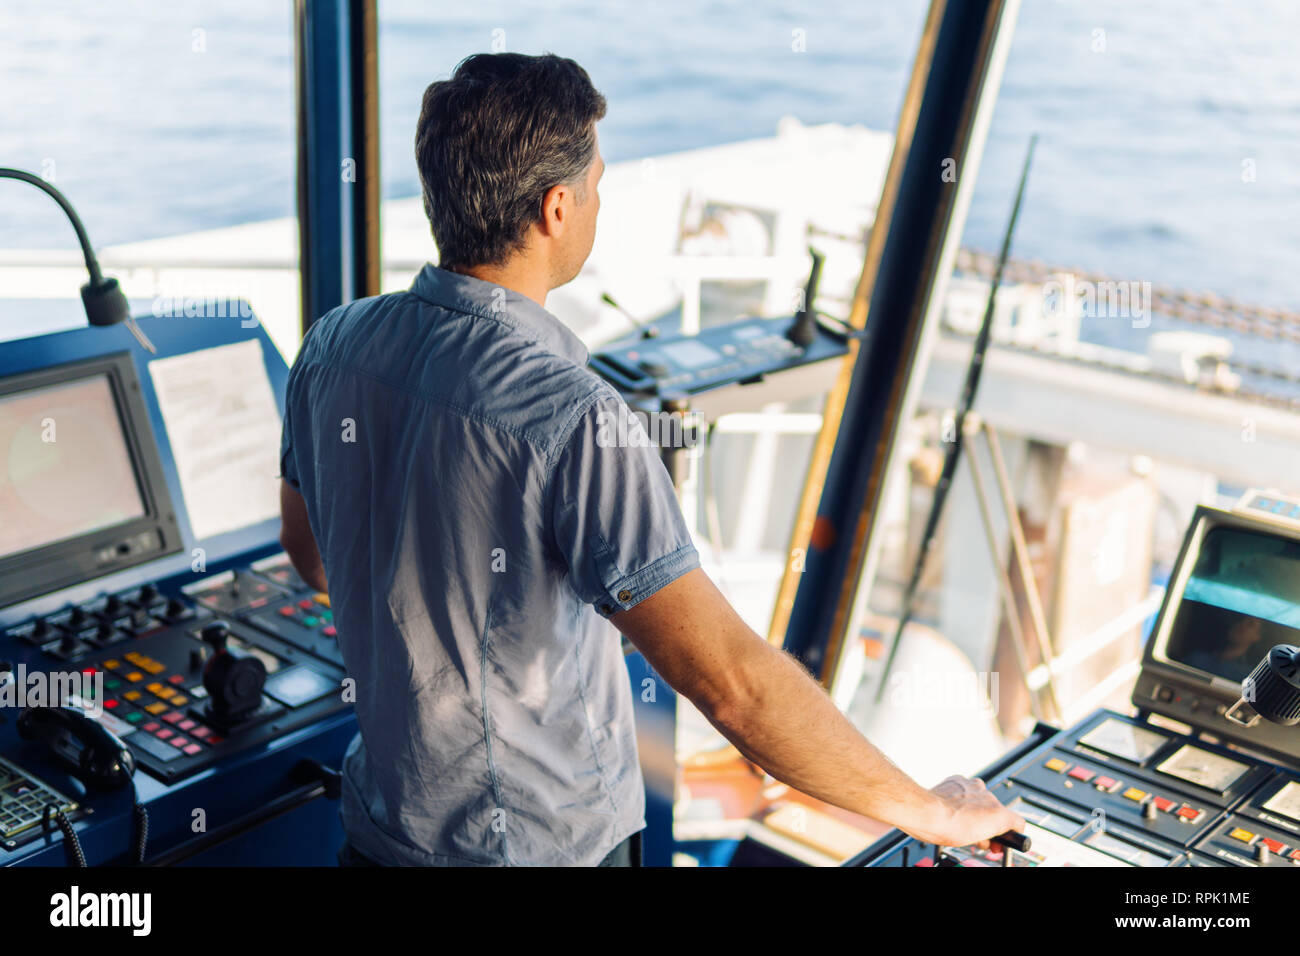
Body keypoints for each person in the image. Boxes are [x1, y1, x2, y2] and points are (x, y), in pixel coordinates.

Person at [277, 51, 1024, 866]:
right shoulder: (575, 416)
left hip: (379, 840)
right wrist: (934, 813)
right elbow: (731, 687)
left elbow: (313, 558)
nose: (598, 201)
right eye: (596, 184)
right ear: (557, 207)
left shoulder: (331, 346)